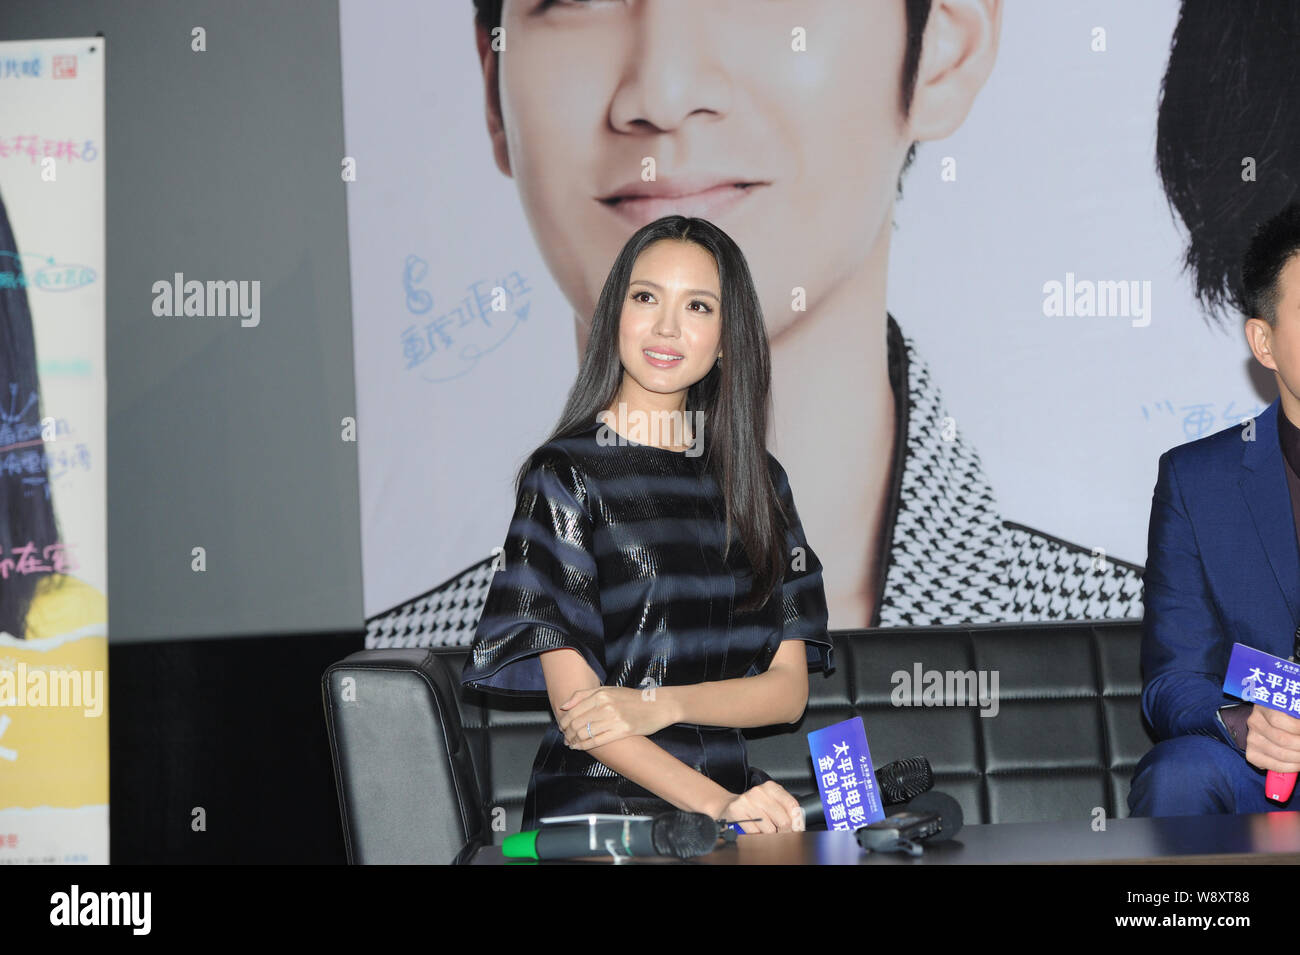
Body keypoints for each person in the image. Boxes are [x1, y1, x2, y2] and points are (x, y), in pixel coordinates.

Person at [363, 0, 1143, 650]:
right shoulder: (392, 684)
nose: (661, 92)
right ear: (494, 77)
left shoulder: (1154, 662)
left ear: (942, 42)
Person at [460, 216, 834, 834]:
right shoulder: (564, 477)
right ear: (614, 316)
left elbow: (788, 689)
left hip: (730, 807)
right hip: (600, 817)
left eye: (697, 306)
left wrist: (659, 705)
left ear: (726, 340)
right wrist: (716, 805)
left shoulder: (759, 483)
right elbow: (582, 716)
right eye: (645, 297)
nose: (666, 327)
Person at [1129, 202, 1300, 816]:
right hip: (1267, 769)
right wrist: (1246, 722)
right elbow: (1173, 682)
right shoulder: (1198, 481)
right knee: (1179, 774)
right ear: (1265, 341)